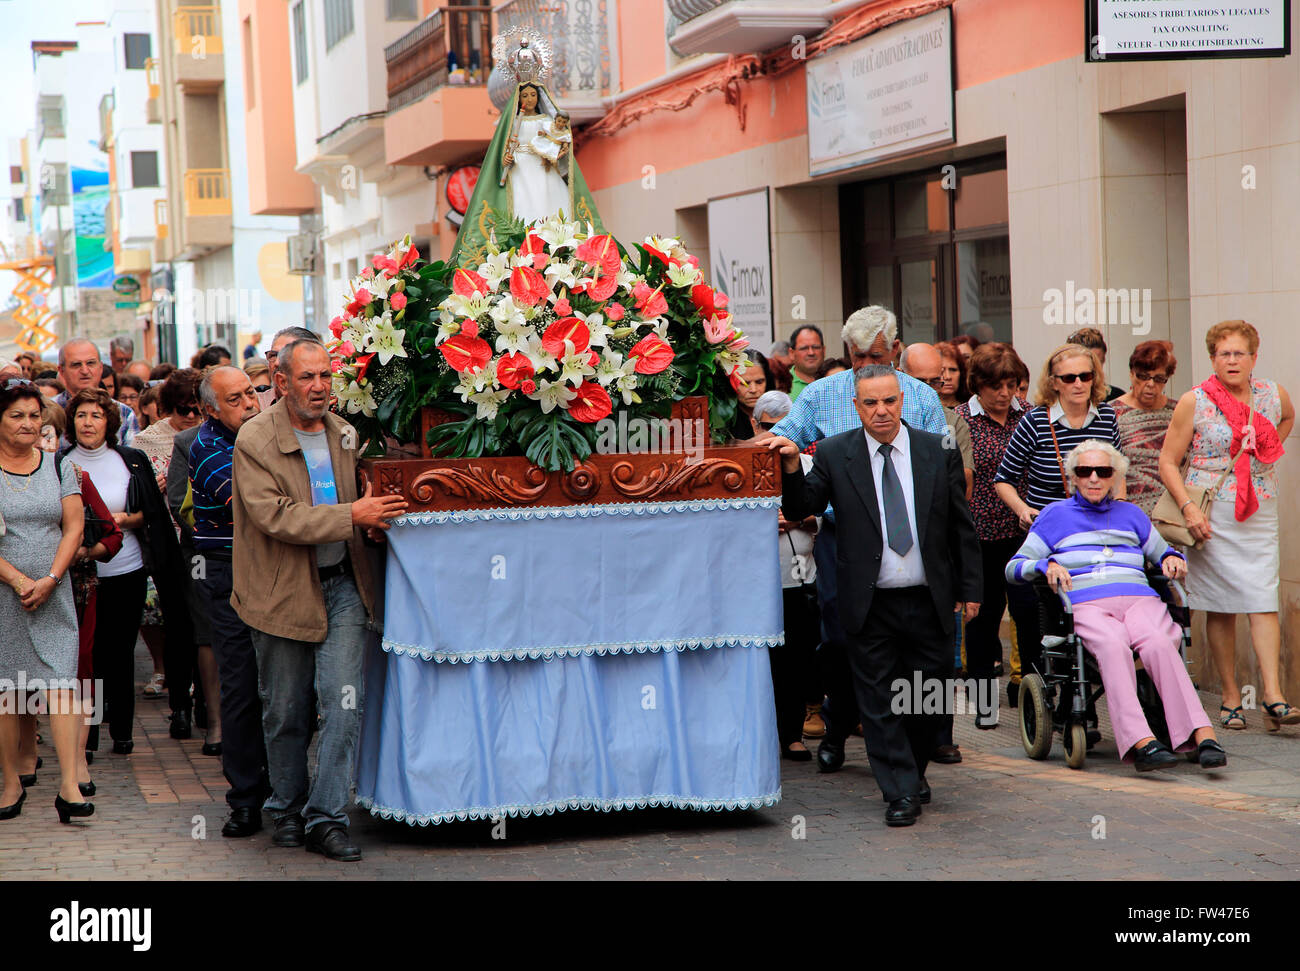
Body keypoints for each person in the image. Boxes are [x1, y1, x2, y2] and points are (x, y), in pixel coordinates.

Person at [772, 365, 981, 826]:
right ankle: (901, 790)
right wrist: (791, 467)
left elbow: (959, 523)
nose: (881, 410)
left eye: (889, 401)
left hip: (929, 599)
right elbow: (801, 506)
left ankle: (913, 769)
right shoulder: (834, 452)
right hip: (869, 602)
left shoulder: (936, 450)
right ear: (856, 407)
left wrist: (970, 587)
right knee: (880, 702)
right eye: (870, 403)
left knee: (929, 699)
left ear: (902, 401)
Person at [232, 340, 407, 859]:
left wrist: (375, 520)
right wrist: (354, 516)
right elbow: (276, 516)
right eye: (307, 377)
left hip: (344, 586)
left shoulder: (344, 433)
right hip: (282, 590)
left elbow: (366, 496)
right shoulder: (255, 439)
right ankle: (286, 807)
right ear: (280, 380)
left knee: (343, 705)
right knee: (286, 711)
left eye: (326, 377)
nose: (319, 387)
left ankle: (326, 817)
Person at [763, 306, 948, 774]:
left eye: (877, 355)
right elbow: (781, 439)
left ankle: (913, 749)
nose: (867, 365)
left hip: (911, 535)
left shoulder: (921, 398)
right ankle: (838, 723)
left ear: (897, 352)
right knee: (845, 642)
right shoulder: (824, 394)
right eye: (858, 356)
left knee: (911, 650)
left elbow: (940, 472)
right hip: (843, 534)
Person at [1007, 440, 1227, 772]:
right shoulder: (1054, 515)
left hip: (1140, 599)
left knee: (1160, 643)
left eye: (1103, 471)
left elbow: (1163, 552)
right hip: (1087, 603)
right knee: (1112, 646)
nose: (1094, 478)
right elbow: (1013, 567)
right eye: (1085, 471)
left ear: (1115, 477)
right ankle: (1142, 742)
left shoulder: (1132, 514)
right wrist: (1044, 566)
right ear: (1073, 478)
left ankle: (1202, 734)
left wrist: (1171, 559)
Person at [1158, 320, 1295, 732]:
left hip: (1259, 509)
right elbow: (1168, 461)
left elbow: (1288, 418)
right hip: (1210, 512)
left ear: (1255, 356)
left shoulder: (1273, 394)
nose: (1232, 360)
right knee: (1220, 605)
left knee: (1262, 597)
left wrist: (1267, 445)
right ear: (1212, 358)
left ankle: (1273, 694)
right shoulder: (1194, 401)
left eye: (1239, 353)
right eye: (1223, 353)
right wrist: (1188, 508)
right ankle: (1232, 697)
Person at [994, 343, 1121, 697]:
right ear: (1054, 382)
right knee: (1040, 611)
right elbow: (1004, 479)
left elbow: (1118, 471)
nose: (1078, 383)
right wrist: (1022, 510)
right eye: (1069, 377)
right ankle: (1044, 682)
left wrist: (1121, 505)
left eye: (1086, 375)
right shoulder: (1036, 421)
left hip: (1097, 531)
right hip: (1050, 532)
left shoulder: (1107, 417)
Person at [0, 379, 90, 823]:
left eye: (35, 415)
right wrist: (19, 581)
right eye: (17, 415)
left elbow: (73, 527)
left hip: (54, 593)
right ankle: (11, 782)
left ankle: (70, 786)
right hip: (4, 595)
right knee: (8, 691)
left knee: (62, 683)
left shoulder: (60, 467)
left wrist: (52, 578)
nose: (28, 423)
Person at [63, 389, 167, 757]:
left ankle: (122, 731)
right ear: (70, 421)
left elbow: (150, 513)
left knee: (121, 652)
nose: (88, 422)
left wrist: (124, 520)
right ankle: (86, 736)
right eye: (80, 415)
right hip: (77, 577)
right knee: (86, 657)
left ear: (109, 422)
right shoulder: (59, 463)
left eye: (96, 415)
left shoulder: (130, 460)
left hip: (127, 569)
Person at [189, 366, 268, 835]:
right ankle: (245, 798)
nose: (250, 404)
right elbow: (255, 506)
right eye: (235, 399)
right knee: (240, 687)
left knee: (279, 683)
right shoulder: (208, 447)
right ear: (210, 410)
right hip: (230, 569)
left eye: (251, 393)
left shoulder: (260, 433)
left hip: (273, 565)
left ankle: (281, 789)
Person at [957, 343, 1041, 721]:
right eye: (996, 386)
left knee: (1028, 615)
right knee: (983, 618)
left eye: (1012, 384)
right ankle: (982, 703)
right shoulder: (962, 420)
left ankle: (1032, 696)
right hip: (980, 536)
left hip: (1025, 533)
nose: (1006, 394)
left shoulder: (1032, 416)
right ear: (978, 385)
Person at [42, 402, 122, 796]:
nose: (41, 441)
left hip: (76, 588)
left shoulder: (74, 474)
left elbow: (111, 533)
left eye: (48, 434)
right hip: (20, 588)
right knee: (20, 676)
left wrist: (85, 552)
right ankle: (23, 757)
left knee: (80, 668)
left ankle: (77, 762)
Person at [153, 370, 222, 755]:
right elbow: (179, 499)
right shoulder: (187, 441)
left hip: (256, 553)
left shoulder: (255, 437)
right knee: (206, 634)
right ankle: (215, 723)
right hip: (203, 553)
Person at [1112, 340, 1177, 515]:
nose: (1150, 384)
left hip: (1172, 512)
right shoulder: (1112, 413)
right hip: (1130, 511)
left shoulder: (1177, 412)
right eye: (1143, 376)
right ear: (1132, 374)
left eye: (1158, 379)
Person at [501, 82, 572, 224]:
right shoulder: (512, 123)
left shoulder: (547, 121)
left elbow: (556, 139)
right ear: (519, 99)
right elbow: (504, 146)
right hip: (520, 167)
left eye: (533, 95)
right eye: (525, 95)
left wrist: (553, 154)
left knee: (545, 199)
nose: (529, 99)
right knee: (522, 202)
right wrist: (507, 159)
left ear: (538, 97)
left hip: (542, 164)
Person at [263, 326, 321, 409]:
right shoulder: (256, 405)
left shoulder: (328, 406)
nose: (277, 363)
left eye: (286, 355)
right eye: (273, 355)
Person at [1067, 326, 1124, 402]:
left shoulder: (1117, 399)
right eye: (1084, 365)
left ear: (1103, 360)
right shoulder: (1056, 399)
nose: (1091, 371)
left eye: (1097, 364)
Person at [728, 354, 767, 441]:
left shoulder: (781, 412)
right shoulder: (720, 422)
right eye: (744, 383)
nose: (753, 390)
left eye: (759, 382)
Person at [789, 325, 826, 401]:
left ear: (824, 350)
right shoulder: (783, 384)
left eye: (816, 347)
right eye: (804, 348)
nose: (811, 353)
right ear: (792, 353)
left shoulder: (834, 380)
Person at [934, 340, 969, 410]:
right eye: (942, 371)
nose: (948, 377)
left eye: (953, 370)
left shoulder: (971, 409)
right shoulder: (923, 409)